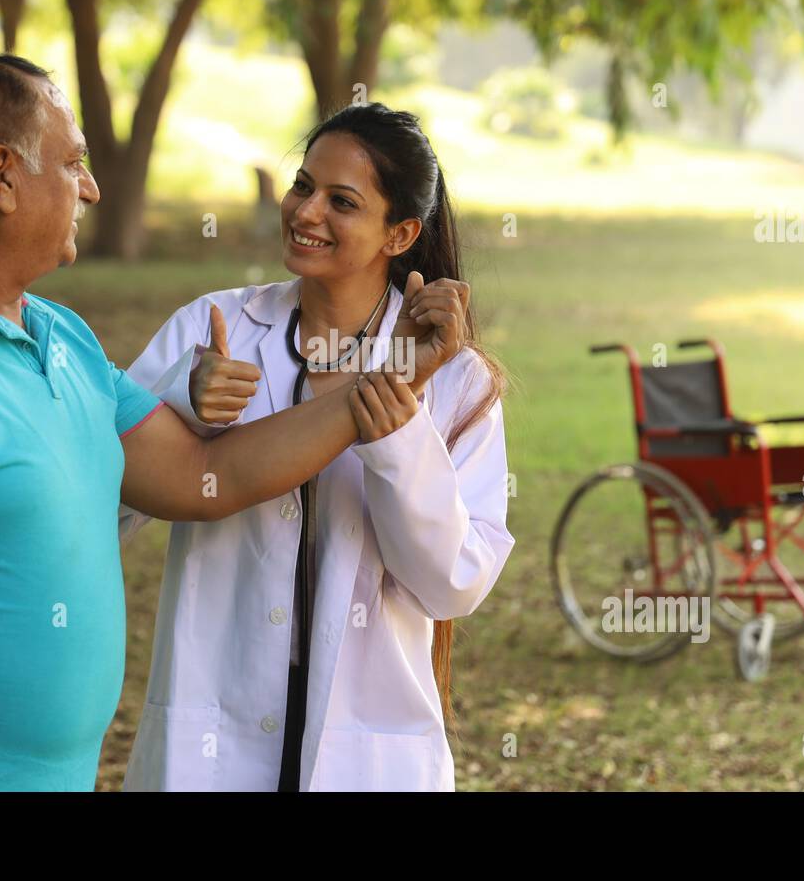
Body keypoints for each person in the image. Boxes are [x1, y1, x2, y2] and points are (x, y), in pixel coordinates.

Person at [0, 54, 465, 791]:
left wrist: (383, 387)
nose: (90, 185)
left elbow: (201, 477)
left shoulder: (57, 337)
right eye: (72, 162)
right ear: (1, 176)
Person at [120, 102, 514, 792]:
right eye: (302, 186)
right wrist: (183, 402)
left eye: (341, 201)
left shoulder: (455, 378)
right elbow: (105, 502)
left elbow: (453, 584)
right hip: (210, 741)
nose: (305, 212)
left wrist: (395, 430)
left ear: (401, 233)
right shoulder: (214, 332)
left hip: (367, 754)